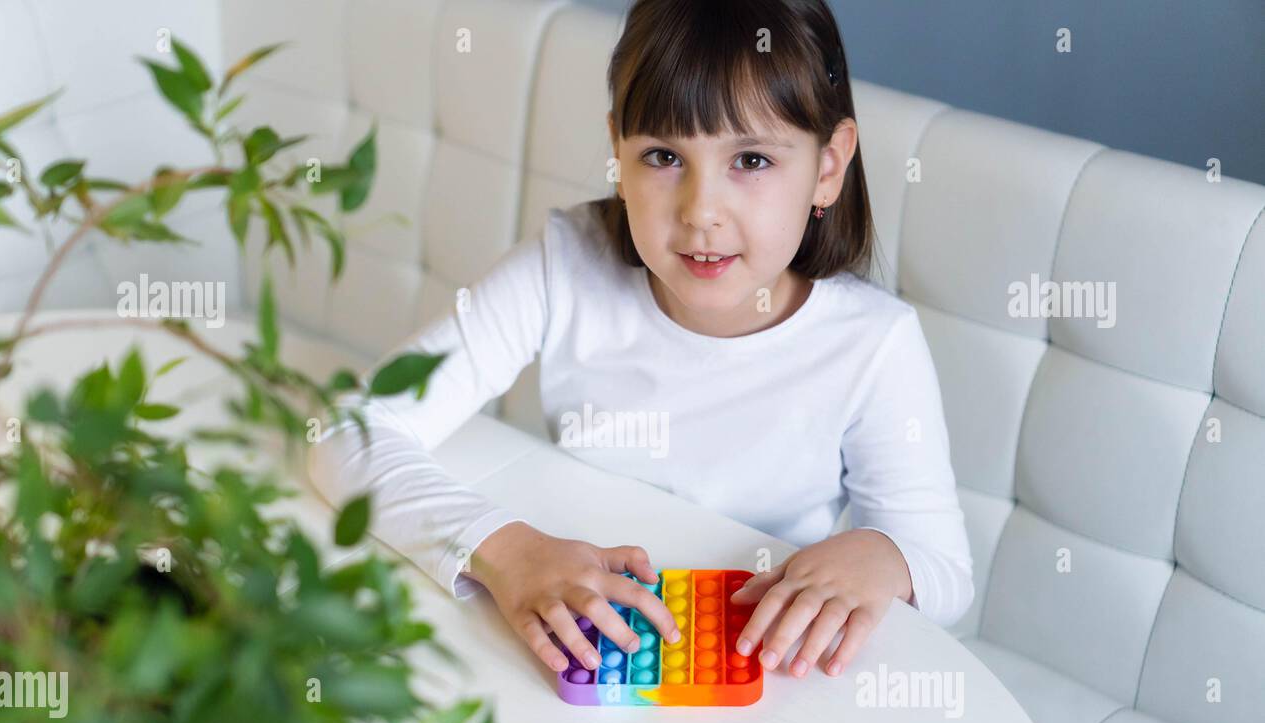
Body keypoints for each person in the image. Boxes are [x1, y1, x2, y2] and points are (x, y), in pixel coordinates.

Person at [308, 0, 973, 682]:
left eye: (750, 159)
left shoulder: (874, 345)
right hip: (580, 653)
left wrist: (883, 555)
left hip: (761, 682)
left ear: (828, 167)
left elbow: (945, 570)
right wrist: (509, 550)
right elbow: (347, 436)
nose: (700, 212)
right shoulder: (563, 266)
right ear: (618, 156)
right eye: (662, 156)